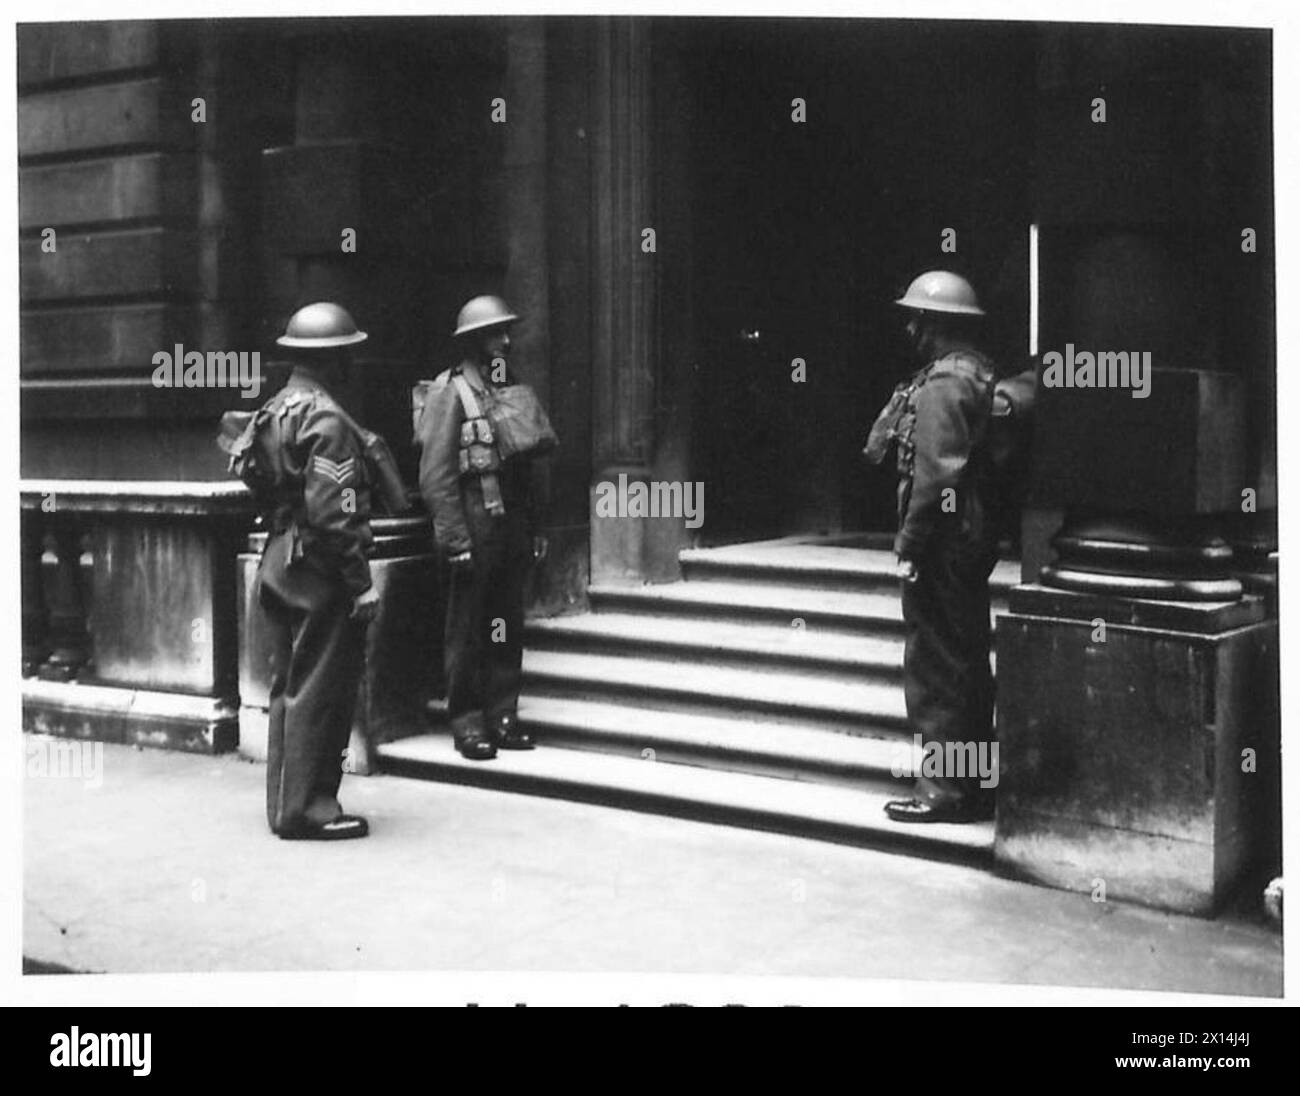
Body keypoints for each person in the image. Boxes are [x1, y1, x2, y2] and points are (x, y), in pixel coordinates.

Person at [864, 271, 1000, 823]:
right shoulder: (973, 374)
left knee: (936, 667)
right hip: (965, 541)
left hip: (943, 546)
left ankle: (942, 790)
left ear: (935, 324)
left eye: (917, 317)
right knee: (965, 662)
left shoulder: (944, 383)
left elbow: (938, 475)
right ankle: (974, 784)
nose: (911, 327)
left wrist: (911, 544)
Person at [245, 302, 381, 839]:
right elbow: (335, 513)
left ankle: (286, 805)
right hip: (319, 571)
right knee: (319, 690)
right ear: (333, 358)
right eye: (346, 352)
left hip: (280, 558)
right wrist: (360, 581)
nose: (351, 362)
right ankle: (309, 809)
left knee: (288, 687)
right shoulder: (325, 417)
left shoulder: (276, 409)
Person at [416, 295, 552, 761]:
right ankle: (468, 720)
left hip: (508, 528)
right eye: (496, 333)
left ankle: (503, 713)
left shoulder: (511, 389)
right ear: (475, 340)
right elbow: (435, 476)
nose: (506, 341)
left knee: (503, 623)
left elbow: (525, 469)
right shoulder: (449, 393)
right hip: (472, 528)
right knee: (467, 629)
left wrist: (533, 527)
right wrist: (454, 540)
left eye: (507, 332)